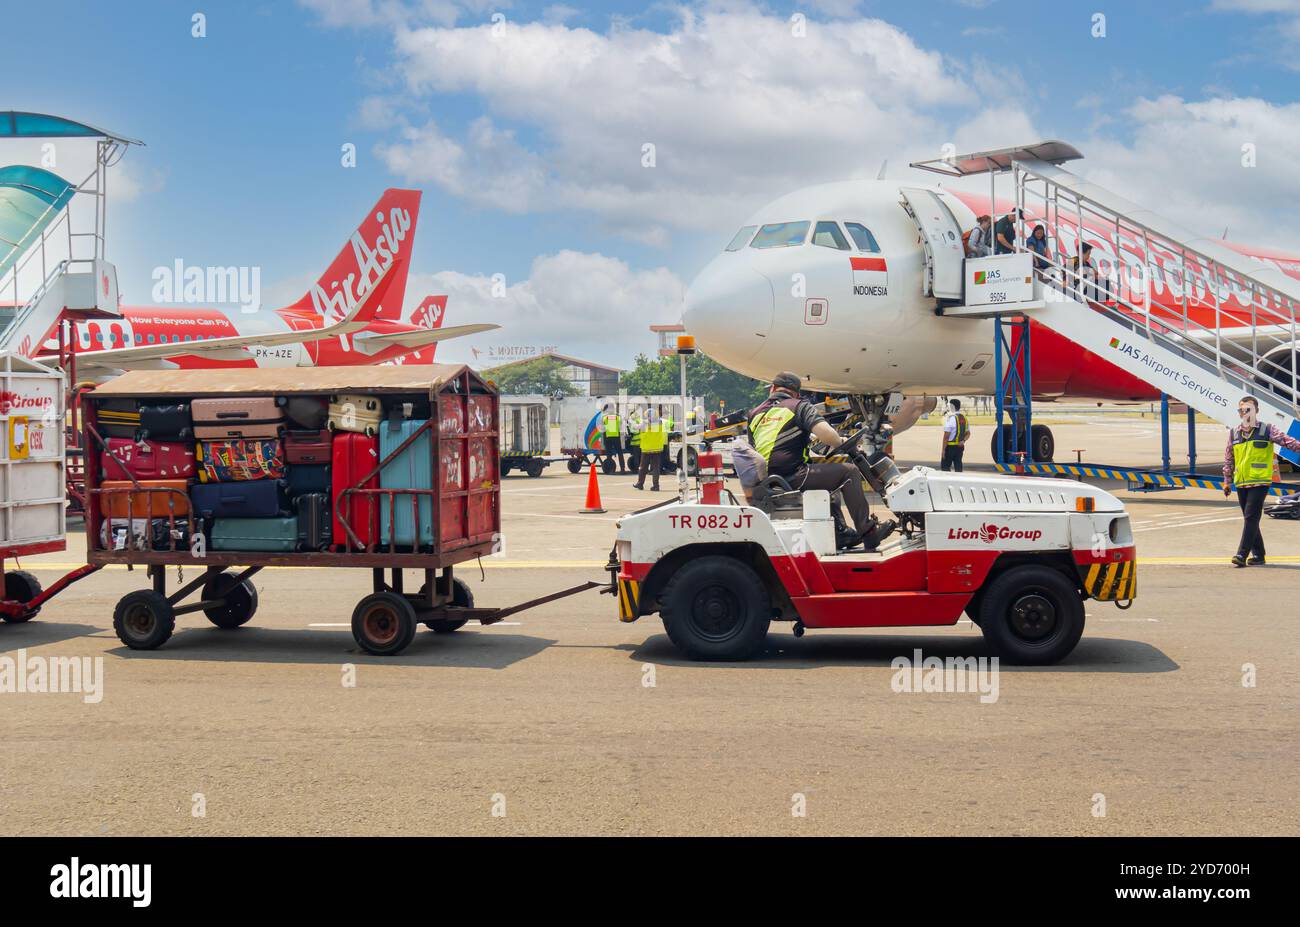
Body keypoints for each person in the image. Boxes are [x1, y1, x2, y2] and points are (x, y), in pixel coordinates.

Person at [748, 372, 875, 548]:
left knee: (828, 480)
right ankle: (868, 532)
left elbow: (754, 450)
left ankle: (840, 533)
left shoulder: (755, 414)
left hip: (766, 482)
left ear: (772, 389)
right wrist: (841, 441)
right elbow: (827, 434)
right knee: (849, 472)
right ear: (797, 394)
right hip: (792, 477)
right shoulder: (799, 406)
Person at [1222, 395, 1300, 567]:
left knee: (1251, 517)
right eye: (1242, 409)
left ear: (1256, 411)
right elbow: (1229, 458)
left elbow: (1288, 442)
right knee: (1250, 518)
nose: (1245, 412)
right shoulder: (1234, 433)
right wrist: (1227, 481)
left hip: (1260, 482)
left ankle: (1241, 554)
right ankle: (1259, 555)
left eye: (1248, 409)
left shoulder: (1267, 430)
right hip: (1241, 482)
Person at [633, 405, 664, 491]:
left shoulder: (644, 423)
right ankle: (656, 485)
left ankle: (640, 484)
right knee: (656, 468)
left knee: (643, 467)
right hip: (657, 449)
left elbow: (635, 427)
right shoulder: (660, 422)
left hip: (646, 449)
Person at [940, 398, 969, 472]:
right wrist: (963, 440)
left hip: (950, 447)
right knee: (958, 467)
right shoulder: (964, 418)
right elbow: (968, 433)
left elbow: (946, 437)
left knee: (945, 468)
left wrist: (943, 450)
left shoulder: (951, 419)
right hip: (960, 447)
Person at [600, 403, 626, 473]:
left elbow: (602, 428)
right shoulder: (618, 417)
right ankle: (622, 469)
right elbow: (621, 426)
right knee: (620, 453)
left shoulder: (605, 417)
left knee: (609, 454)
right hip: (616, 437)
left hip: (608, 437)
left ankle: (610, 469)